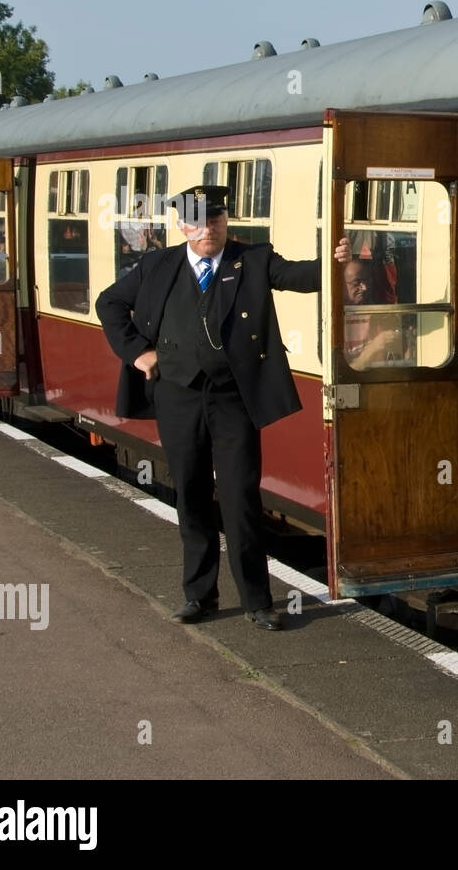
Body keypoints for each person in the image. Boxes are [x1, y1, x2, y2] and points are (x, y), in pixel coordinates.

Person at [96, 185, 351, 631]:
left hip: (233, 400)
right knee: (191, 497)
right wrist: (139, 353)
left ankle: (257, 601)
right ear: (182, 226)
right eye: (197, 222)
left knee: (240, 499)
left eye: (214, 221)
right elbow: (109, 303)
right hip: (178, 397)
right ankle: (199, 596)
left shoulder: (251, 260)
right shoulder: (158, 266)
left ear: (225, 222)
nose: (207, 229)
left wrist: (334, 262)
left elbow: (299, 276)